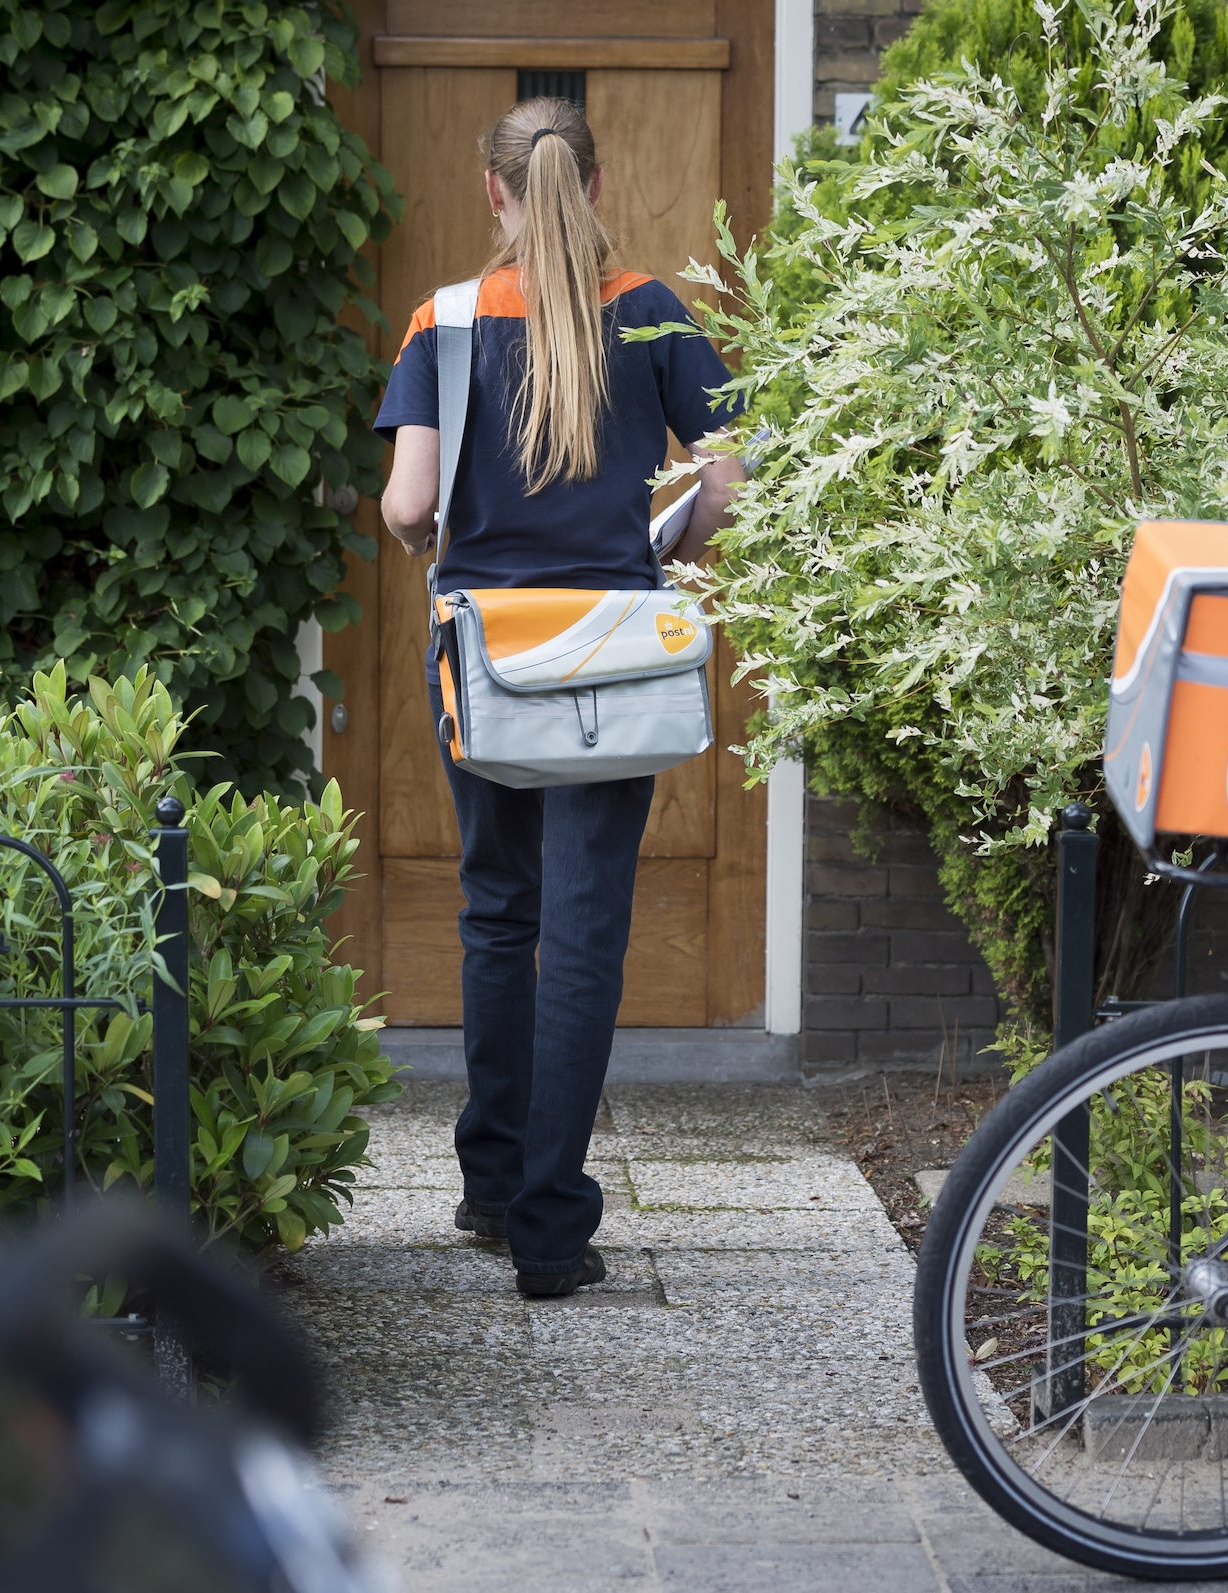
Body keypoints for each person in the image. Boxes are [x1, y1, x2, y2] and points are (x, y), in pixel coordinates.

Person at [373, 97, 747, 1299]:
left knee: (498, 914)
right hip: (614, 663)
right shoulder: (649, 315)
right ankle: (548, 1231)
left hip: (481, 662)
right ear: (590, 182)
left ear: (495, 193)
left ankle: (488, 1185)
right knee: (583, 936)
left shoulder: (443, 321)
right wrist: (674, 549)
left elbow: (401, 508)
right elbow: (731, 471)